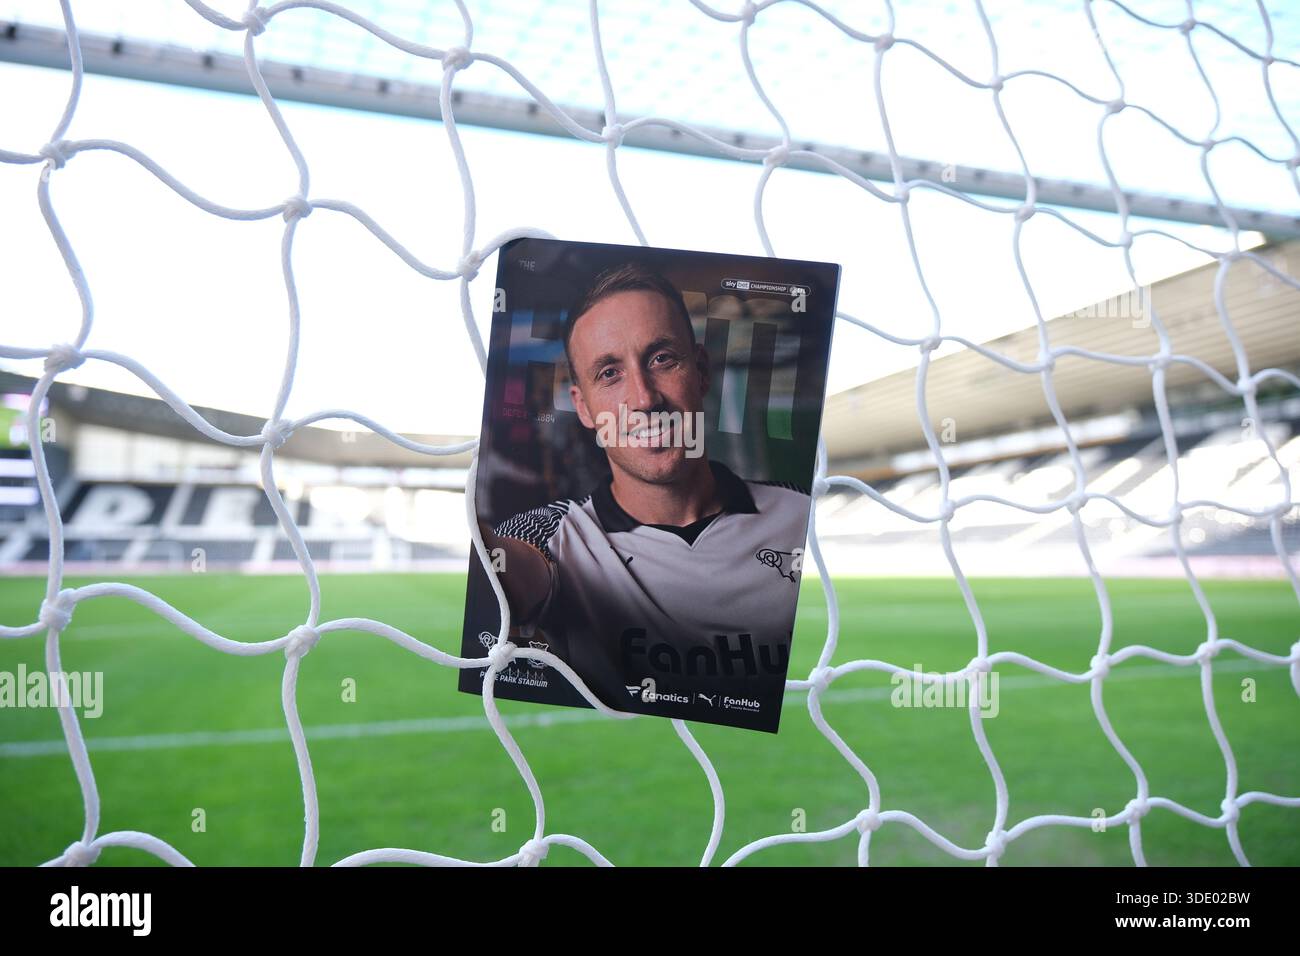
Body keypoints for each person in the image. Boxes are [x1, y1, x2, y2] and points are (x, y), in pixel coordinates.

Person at [479, 261, 812, 725]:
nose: (644, 398)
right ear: (584, 407)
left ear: (700, 370)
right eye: (610, 373)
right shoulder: (546, 534)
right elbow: (512, 572)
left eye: (661, 359)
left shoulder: (800, 514)